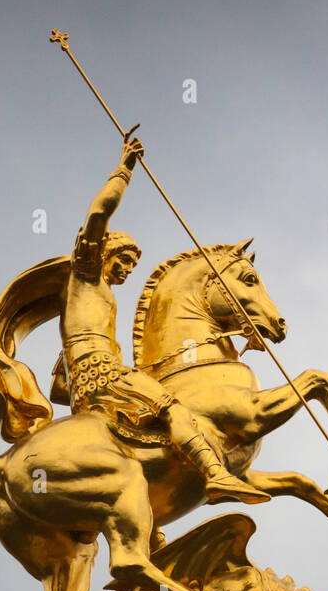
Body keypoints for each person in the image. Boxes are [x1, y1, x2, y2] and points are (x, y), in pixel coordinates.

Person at [57, 131, 269, 504]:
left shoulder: (99, 296)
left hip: (93, 386)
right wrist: (123, 170)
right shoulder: (86, 274)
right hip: (102, 375)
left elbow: (61, 386)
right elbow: (97, 214)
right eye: (122, 259)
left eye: (132, 265)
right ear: (103, 251)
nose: (126, 269)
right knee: (173, 407)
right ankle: (215, 474)